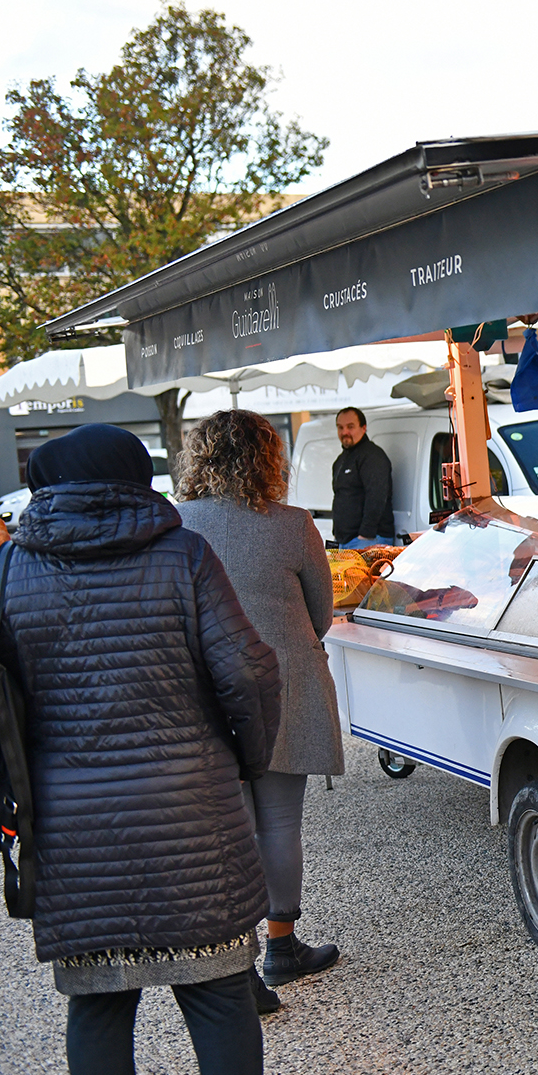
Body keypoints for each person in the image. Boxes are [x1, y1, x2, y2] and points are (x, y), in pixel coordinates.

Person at [0, 423, 280, 1075]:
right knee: (221, 996)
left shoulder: (9, 570)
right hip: (193, 819)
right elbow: (249, 673)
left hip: (73, 832)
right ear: (138, 479)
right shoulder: (186, 555)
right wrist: (246, 761)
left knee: (99, 1009)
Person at [176, 411, 344, 1003]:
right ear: (268, 459)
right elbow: (320, 616)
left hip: (205, 692)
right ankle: (282, 946)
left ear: (198, 459)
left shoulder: (176, 524)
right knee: (278, 823)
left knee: (230, 831)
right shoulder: (295, 525)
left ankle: (240, 967)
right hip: (284, 684)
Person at [331, 406, 393, 548]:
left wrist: (366, 534)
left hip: (368, 540)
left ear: (363, 428)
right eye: (340, 427)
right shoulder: (341, 460)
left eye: (350, 427)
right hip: (346, 540)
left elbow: (377, 496)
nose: (344, 432)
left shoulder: (372, 456)